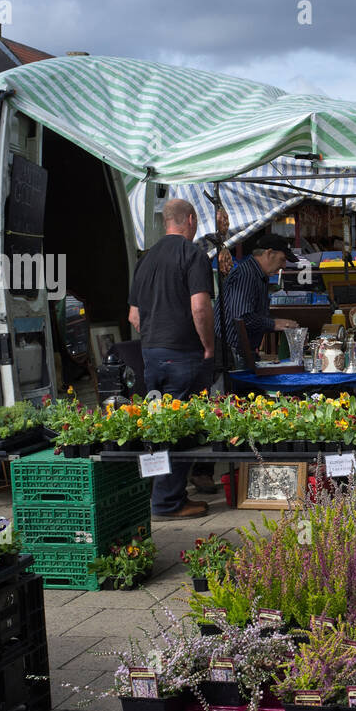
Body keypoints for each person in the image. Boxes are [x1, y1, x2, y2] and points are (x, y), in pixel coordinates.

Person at [127, 198, 215, 519]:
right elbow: (199, 307)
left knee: (158, 427)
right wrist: (207, 346)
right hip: (184, 354)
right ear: (190, 219)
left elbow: (134, 316)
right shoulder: (194, 255)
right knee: (182, 429)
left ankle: (159, 496)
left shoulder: (145, 261)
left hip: (151, 354)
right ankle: (168, 502)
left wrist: (155, 338)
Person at [217, 234, 296, 369]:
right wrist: (273, 324)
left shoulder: (257, 275)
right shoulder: (246, 275)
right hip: (231, 354)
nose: (283, 265)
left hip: (240, 352)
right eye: (282, 260)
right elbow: (241, 316)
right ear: (269, 253)